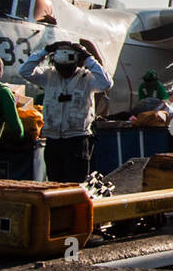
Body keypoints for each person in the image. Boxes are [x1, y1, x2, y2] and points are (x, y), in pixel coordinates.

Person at [20, 39, 112, 182]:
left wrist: (88, 58)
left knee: (75, 183)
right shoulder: (48, 76)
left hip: (77, 139)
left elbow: (106, 82)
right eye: (60, 67)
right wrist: (45, 50)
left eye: (67, 68)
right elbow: (24, 70)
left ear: (76, 63)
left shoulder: (87, 79)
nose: (63, 72)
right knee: (54, 182)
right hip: (53, 140)